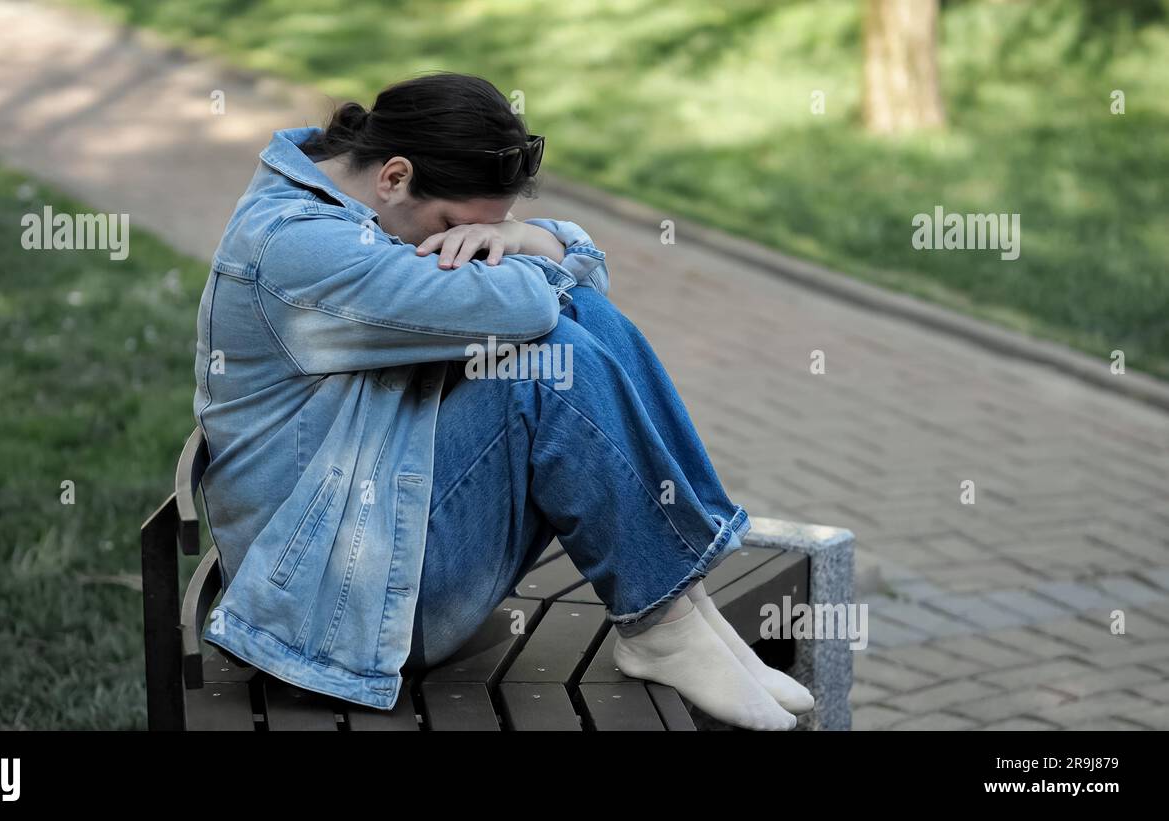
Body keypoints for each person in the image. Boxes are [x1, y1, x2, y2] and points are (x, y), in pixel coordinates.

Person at [193, 71, 812, 730]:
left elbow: (584, 284)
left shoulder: (347, 194)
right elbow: (527, 301)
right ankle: (661, 623)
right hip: (340, 606)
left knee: (586, 326)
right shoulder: (297, 246)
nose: (466, 248)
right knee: (549, 365)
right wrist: (535, 245)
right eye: (455, 228)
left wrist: (520, 238)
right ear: (395, 177)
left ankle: (677, 601)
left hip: (380, 529)